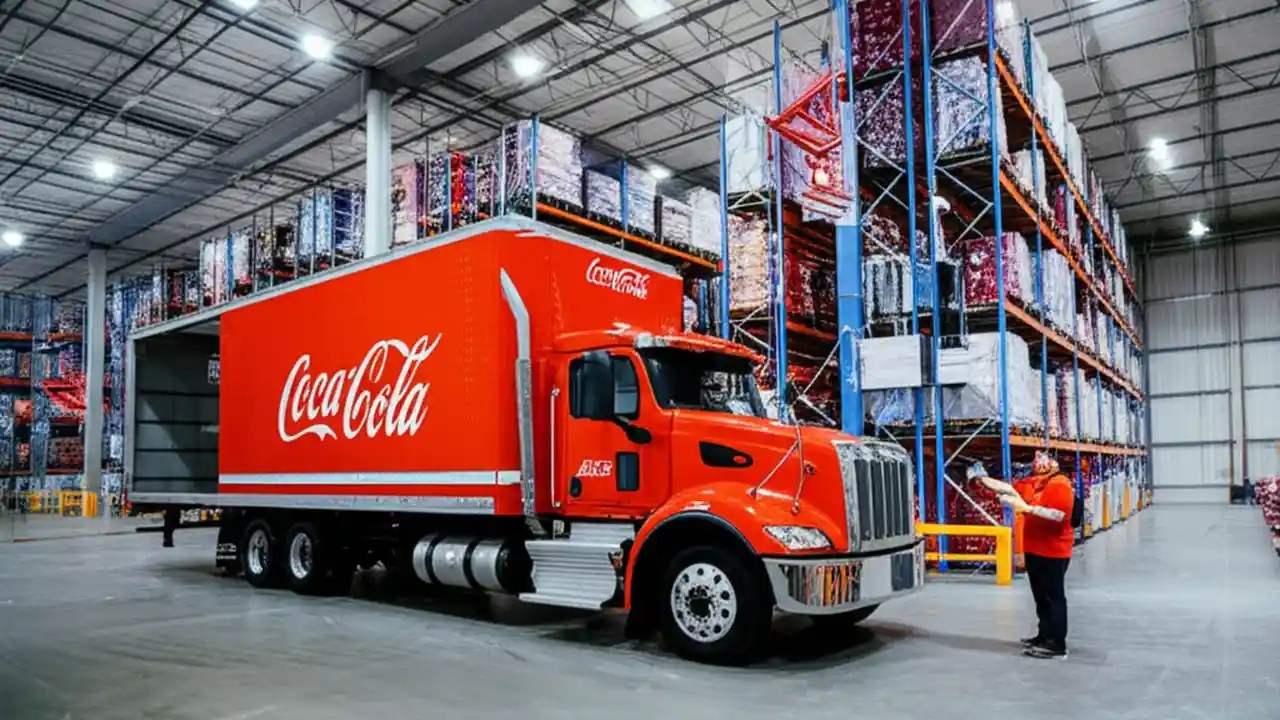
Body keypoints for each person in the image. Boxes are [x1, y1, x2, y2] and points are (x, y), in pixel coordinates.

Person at [969, 451, 1075, 659]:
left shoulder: (1060, 485)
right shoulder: (1034, 483)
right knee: (1040, 596)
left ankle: (1056, 643)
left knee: (1053, 597)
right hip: (1035, 550)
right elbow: (1008, 488)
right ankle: (1044, 635)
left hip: (1054, 551)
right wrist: (981, 479)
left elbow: (1059, 515)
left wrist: (1027, 508)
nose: (1038, 462)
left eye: (1043, 458)